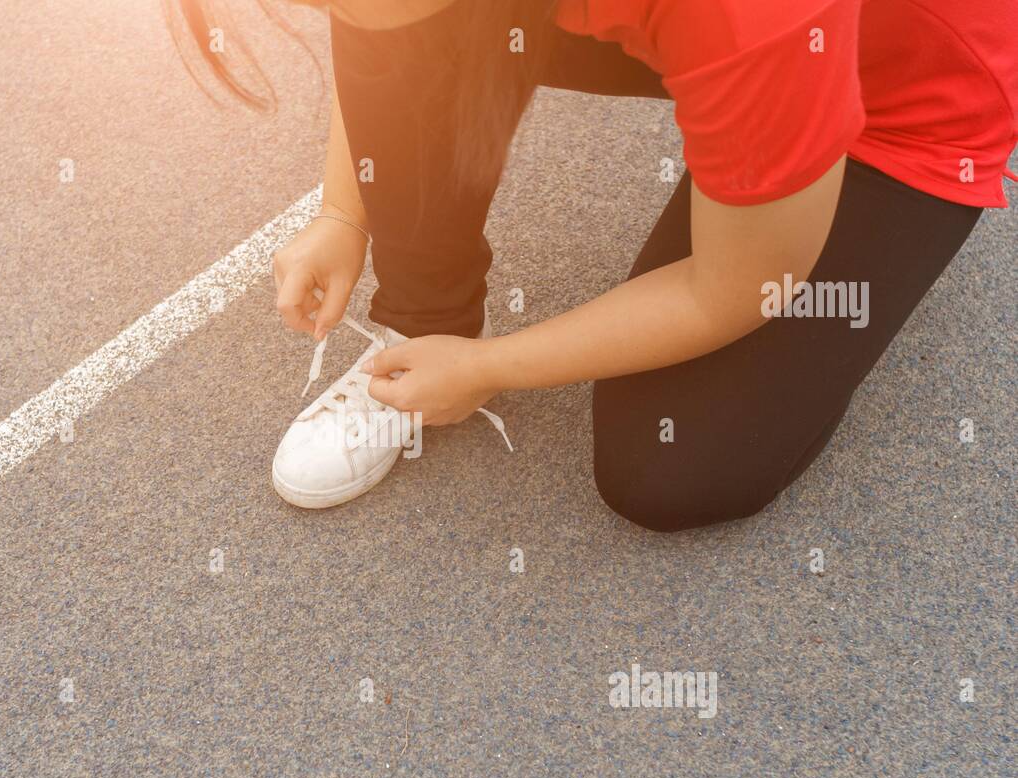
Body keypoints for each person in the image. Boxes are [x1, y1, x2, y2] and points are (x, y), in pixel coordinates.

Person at [171, 0, 1017, 529]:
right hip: (744, 51)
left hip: (899, 97)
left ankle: (766, 163)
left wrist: (488, 369)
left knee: (672, 467)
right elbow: (389, 24)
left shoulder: (755, 16)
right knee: (428, 25)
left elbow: (733, 288)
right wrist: (346, 207)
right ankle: (419, 323)